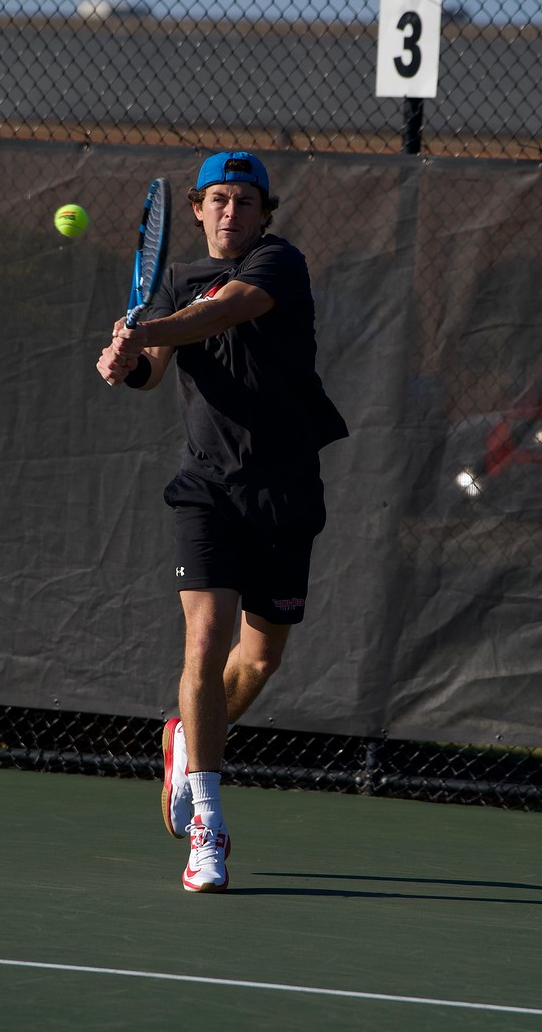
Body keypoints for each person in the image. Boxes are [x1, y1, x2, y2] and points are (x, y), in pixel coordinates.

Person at [95, 151, 348, 892]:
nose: (230, 212)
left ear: (264, 212)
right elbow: (150, 373)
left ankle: (187, 734)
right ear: (198, 210)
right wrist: (125, 361)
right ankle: (207, 826)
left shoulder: (280, 264)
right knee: (204, 642)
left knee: (260, 659)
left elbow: (222, 312)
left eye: (244, 201)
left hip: (287, 489)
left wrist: (151, 331)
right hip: (207, 490)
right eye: (217, 200)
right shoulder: (171, 282)